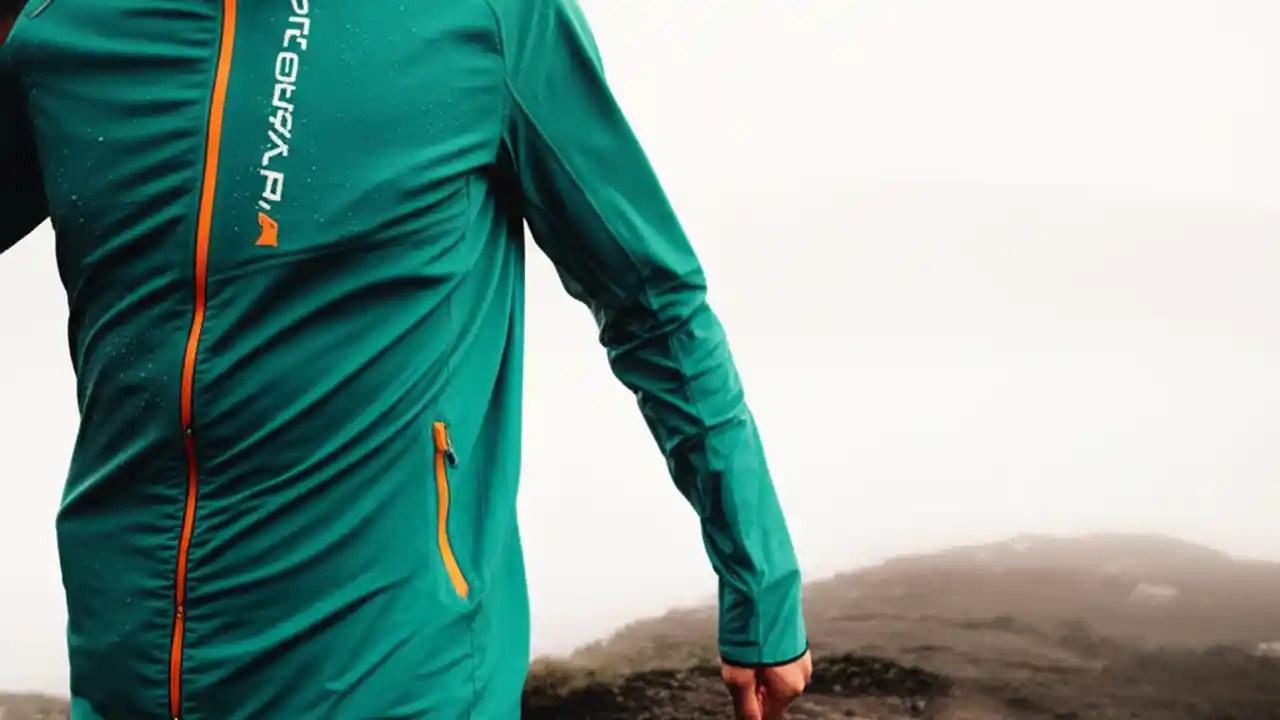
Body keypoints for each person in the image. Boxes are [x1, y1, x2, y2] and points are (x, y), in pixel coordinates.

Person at [1, 0, 810, 717]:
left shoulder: (485, 15)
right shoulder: (69, 28)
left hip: (397, 679)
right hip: (121, 679)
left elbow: (653, 303)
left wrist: (760, 581)